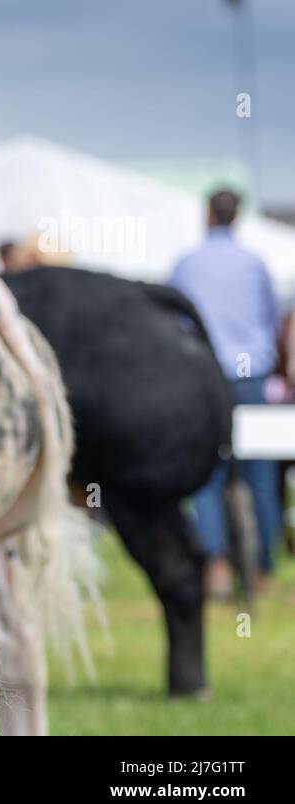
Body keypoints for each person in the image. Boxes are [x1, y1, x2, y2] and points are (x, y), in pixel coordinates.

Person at [169, 188, 283, 596]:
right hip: (252, 375)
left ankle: (215, 565)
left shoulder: (187, 263)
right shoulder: (255, 263)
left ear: (208, 215)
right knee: (261, 475)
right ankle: (262, 572)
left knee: (207, 475)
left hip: (205, 376)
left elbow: (175, 318)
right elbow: (271, 318)